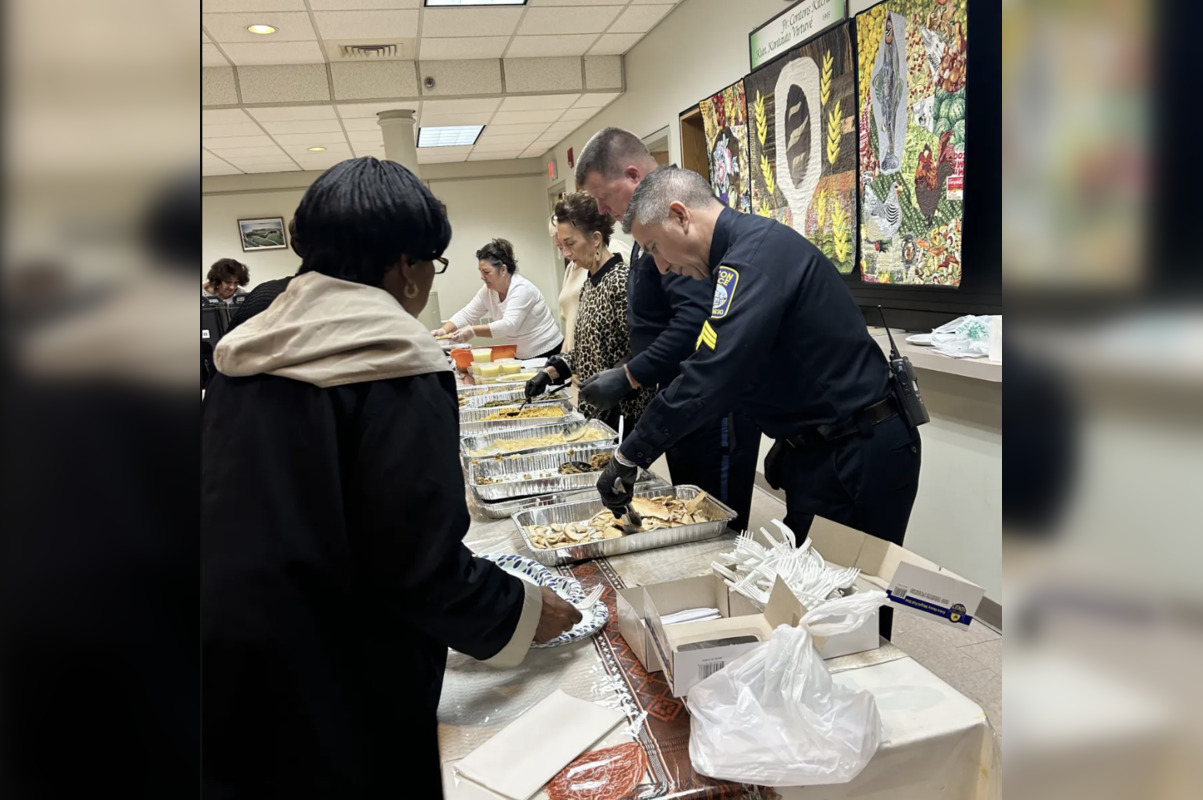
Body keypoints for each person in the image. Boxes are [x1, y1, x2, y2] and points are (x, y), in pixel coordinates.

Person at [202, 157, 580, 796]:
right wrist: (521, 610)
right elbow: (414, 561)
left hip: (231, 655)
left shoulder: (254, 347)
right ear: (406, 264)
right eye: (432, 263)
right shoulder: (390, 360)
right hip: (337, 674)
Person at [597, 166, 922, 636]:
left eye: (653, 248)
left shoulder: (754, 257)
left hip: (860, 450)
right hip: (822, 449)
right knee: (802, 599)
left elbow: (712, 373)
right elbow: (734, 364)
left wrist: (630, 454)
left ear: (679, 215)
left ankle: (860, 703)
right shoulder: (736, 259)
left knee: (847, 613)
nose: (661, 266)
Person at [574, 128, 759, 532]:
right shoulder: (647, 234)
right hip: (680, 401)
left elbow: (693, 325)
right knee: (689, 518)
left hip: (709, 408)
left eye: (604, 197)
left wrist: (629, 375)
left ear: (633, 175)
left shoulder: (677, 232)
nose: (603, 210)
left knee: (715, 527)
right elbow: (654, 327)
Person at [526, 193, 656, 432]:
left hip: (623, 415)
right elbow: (586, 352)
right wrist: (551, 372)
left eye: (570, 243)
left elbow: (642, 353)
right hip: (595, 413)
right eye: (561, 245)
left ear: (596, 238)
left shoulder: (620, 282)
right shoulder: (589, 283)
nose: (565, 253)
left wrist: (618, 382)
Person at [433, 238, 563, 359]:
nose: (482, 277)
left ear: (503, 270)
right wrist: (443, 330)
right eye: (480, 271)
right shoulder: (488, 291)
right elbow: (467, 314)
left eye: (486, 272)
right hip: (521, 354)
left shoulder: (522, 289)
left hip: (548, 350)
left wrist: (473, 331)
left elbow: (508, 325)